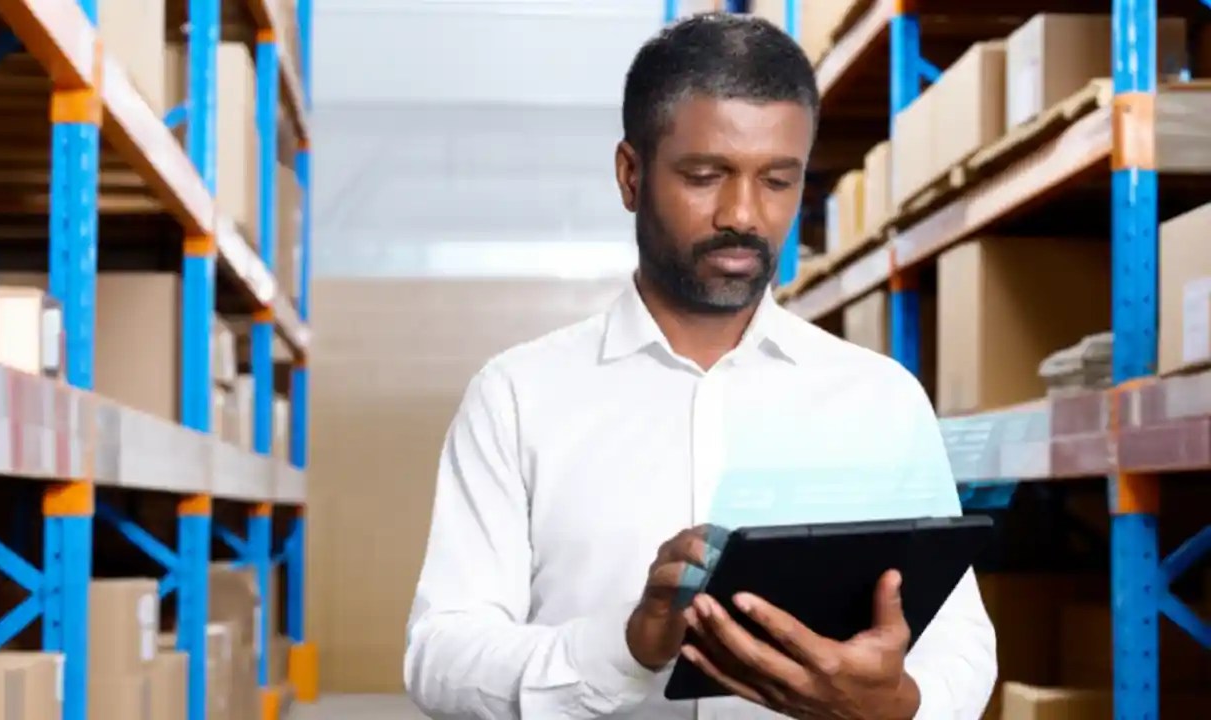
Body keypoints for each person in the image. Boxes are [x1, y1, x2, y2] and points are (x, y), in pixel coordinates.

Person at [404, 13, 996, 720]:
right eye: (704, 175)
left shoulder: (880, 399)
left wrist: (896, 702)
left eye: (778, 180)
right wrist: (627, 647)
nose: (741, 214)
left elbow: (960, 645)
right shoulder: (517, 397)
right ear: (631, 174)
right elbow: (440, 657)